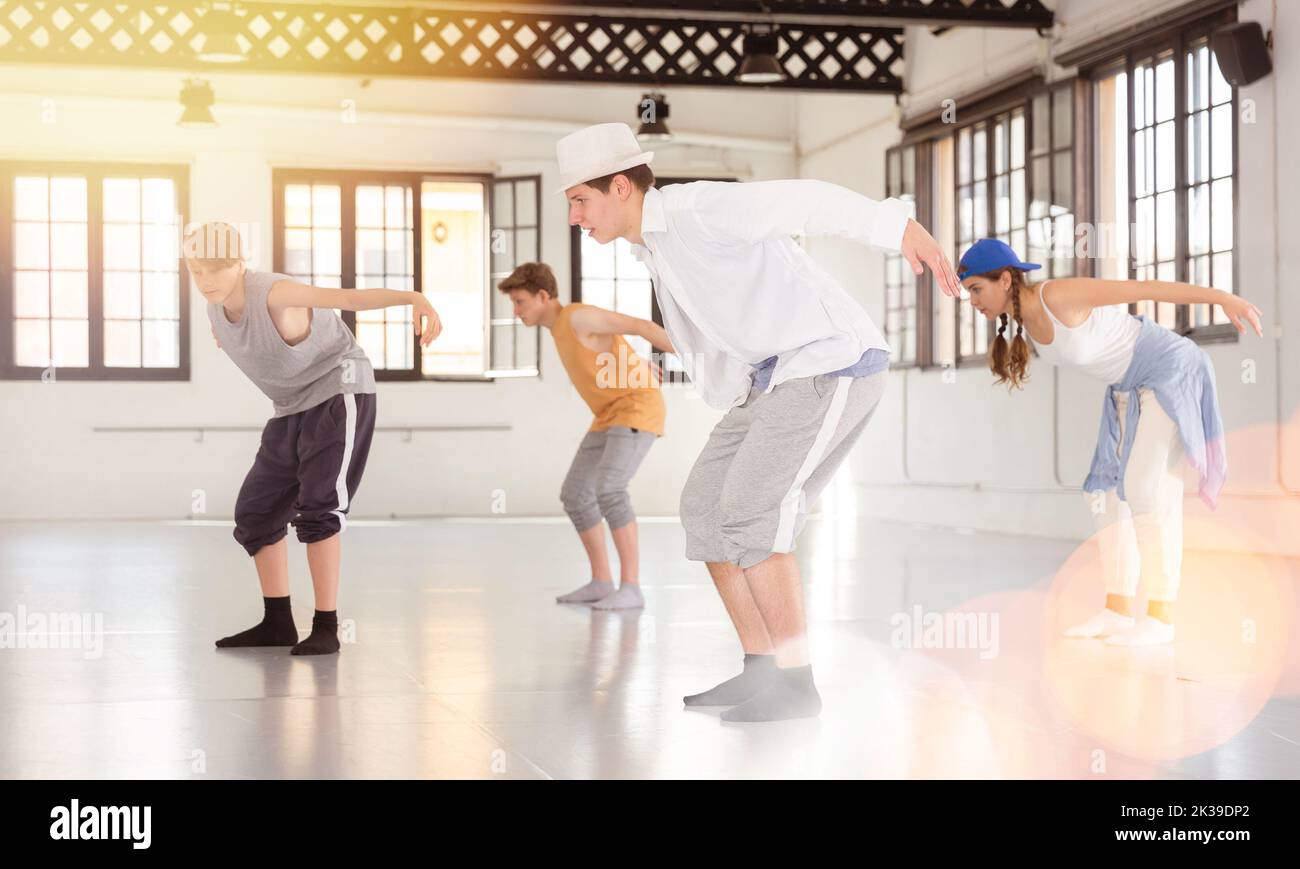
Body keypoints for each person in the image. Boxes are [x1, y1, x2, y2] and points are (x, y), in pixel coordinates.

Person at [555, 122, 960, 721]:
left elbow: (807, 200)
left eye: (579, 201)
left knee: (752, 509)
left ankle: (797, 684)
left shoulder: (697, 208)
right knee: (702, 506)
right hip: (771, 379)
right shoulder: (656, 249)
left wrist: (897, 227)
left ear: (620, 187)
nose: (574, 218)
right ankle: (761, 669)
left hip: (830, 360)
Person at [956, 237, 1263, 646]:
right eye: (968, 292)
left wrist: (1222, 297)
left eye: (976, 288)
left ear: (1006, 279)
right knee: (1103, 495)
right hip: (1126, 387)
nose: (973, 300)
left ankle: (1161, 616)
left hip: (1168, 368)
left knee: (1145, 489)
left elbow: (1144, 289)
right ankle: (1118, 610)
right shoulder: (1025, 323)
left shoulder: (1058, 296)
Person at [185, 221, 441, 655]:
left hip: (339, 391)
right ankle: (278, 621)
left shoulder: (276, 293)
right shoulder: (216, 309)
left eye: (217, 269)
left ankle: (326, 627)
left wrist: (414, 298)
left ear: (241, 263)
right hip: (290, 407)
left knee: (318, 506)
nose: (206, 281)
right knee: (256, 511)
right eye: (197, 271)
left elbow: (346, 299)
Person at [498, 260, 671, 610]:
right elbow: (610, 344)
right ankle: (601, 581)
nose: (516, 312)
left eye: (520, 302)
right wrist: (636, 363)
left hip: (636, 406)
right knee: (575, 494)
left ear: (543, 295)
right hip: (608, 414)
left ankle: (632, 587)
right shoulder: (560, 328)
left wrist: (698, 357)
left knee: (609, 488)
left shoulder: (576, 317)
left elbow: (637, 324)